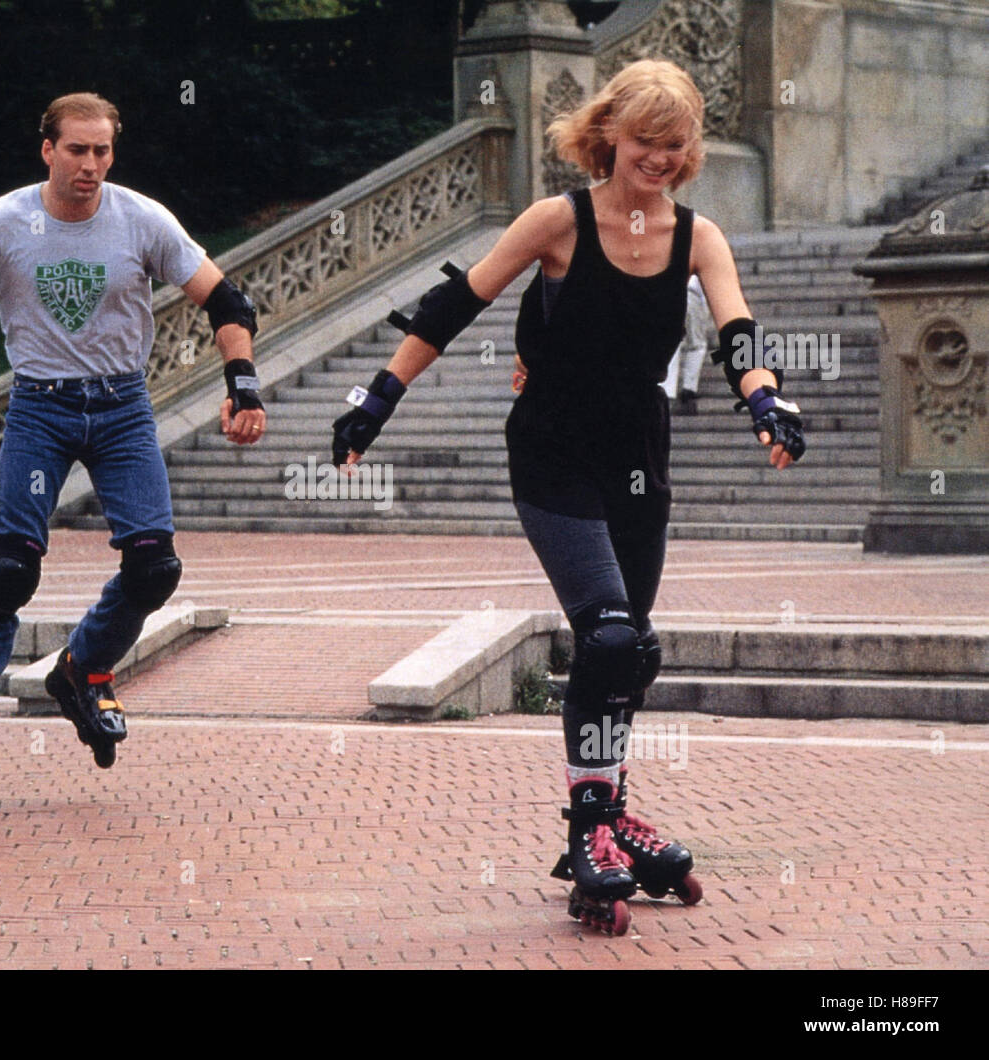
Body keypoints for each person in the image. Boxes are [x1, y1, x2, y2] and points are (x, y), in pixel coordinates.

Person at [332, 60, 805, 935]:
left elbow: (739, 333)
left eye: (674, 144)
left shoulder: (699, 237)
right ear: (608, 135)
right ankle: (590, 830)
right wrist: (376, 400)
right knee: (608, 631)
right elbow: (452, 305)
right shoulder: (560, 220)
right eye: (643, 142)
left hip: (638, 455)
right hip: (553, 450)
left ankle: (613, 808)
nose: (657, 159)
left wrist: (765, 403)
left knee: (635, 650)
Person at [0, 92, 267, 812]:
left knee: (155, 566)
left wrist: (243, 387)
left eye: (102, 152)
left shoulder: (142, 219)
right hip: (41, 406)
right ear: (47, 150)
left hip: (123, 407)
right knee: (10, 571)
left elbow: (228, 302)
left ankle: (83, 668)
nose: (91, 166)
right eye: (77, 150)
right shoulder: (4, 222)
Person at [663, 273, 711, 414]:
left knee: (672, 344)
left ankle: (668, 390)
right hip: (692, 295)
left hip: (670, 293)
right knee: (697, 344)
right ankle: (688, 388)